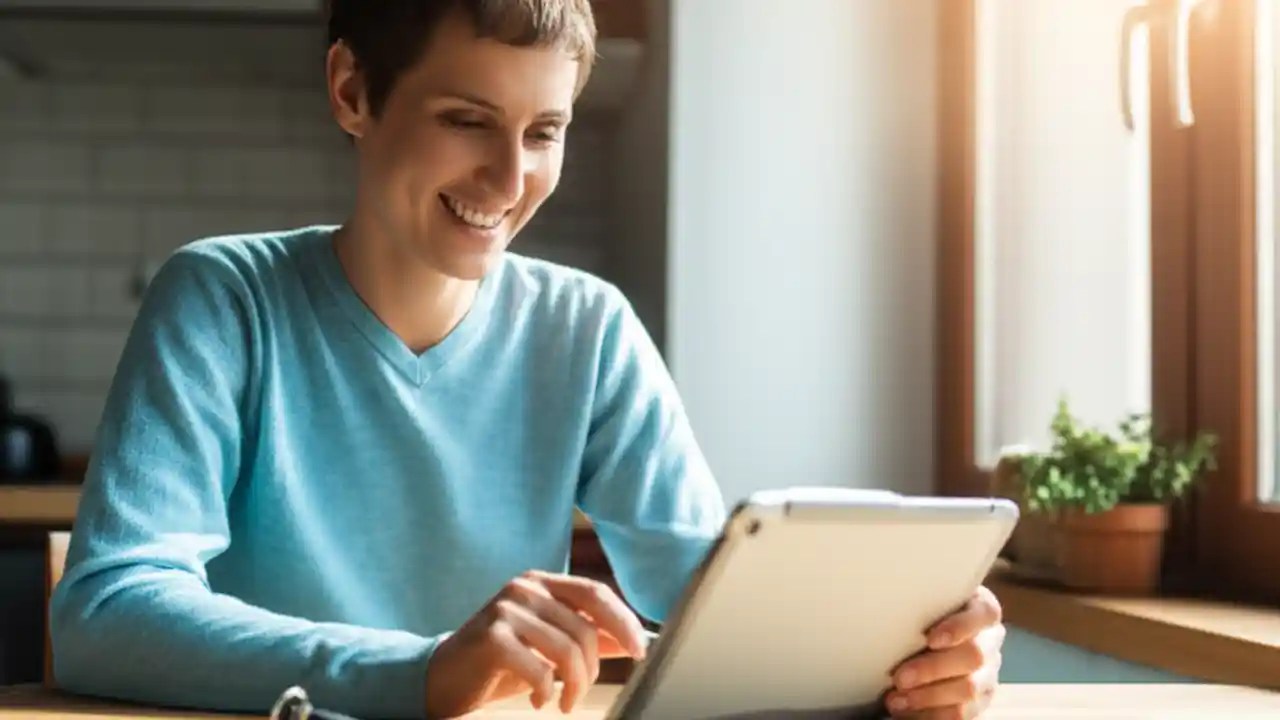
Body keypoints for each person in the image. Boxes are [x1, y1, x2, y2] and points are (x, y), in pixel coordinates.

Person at [49, 1, 1007, 718]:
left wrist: (904, 662)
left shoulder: (586, 328)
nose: (510, 182)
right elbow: (106, 614)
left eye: (544, 132)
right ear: (352, 92)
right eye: (467, 120)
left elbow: (713, 605)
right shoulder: (224, 300)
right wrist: (423, 673)